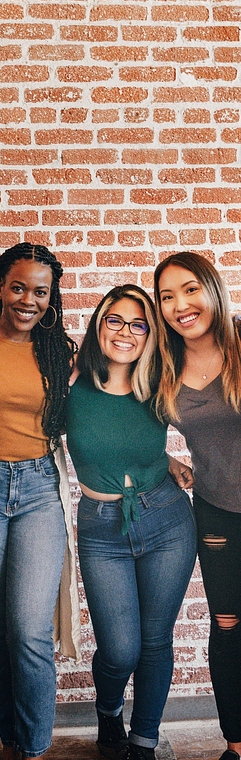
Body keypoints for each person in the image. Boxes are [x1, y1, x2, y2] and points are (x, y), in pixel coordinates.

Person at [0, 242, 78, 760]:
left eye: (41, 291)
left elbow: (118, 391)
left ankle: (31, 750)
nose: (29, 300)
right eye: (19, 287)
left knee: (29, 629)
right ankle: (7, 736)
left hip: (38, 491)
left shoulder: (61, 350)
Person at [66, 284, 196, 760]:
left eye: (137, 324)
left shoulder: (161, 381)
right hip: (101, 528)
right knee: (120, 650)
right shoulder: (71, 382)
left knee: (156, 640)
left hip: (166, 519)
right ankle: (107, 710)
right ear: (99, 325)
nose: (125, 332)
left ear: (149, 335)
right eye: (114, 320)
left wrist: (169, 461)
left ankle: (144, 740)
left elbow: (213, 422)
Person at [154, 252, 241, 760]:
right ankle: (235, 742)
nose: (180, 305)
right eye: (167, 296)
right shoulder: (162, 364)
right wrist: (165, 460)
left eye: (190, 289)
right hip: (216, 510)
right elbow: (127, 421)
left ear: (212, 288)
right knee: (228, 626)